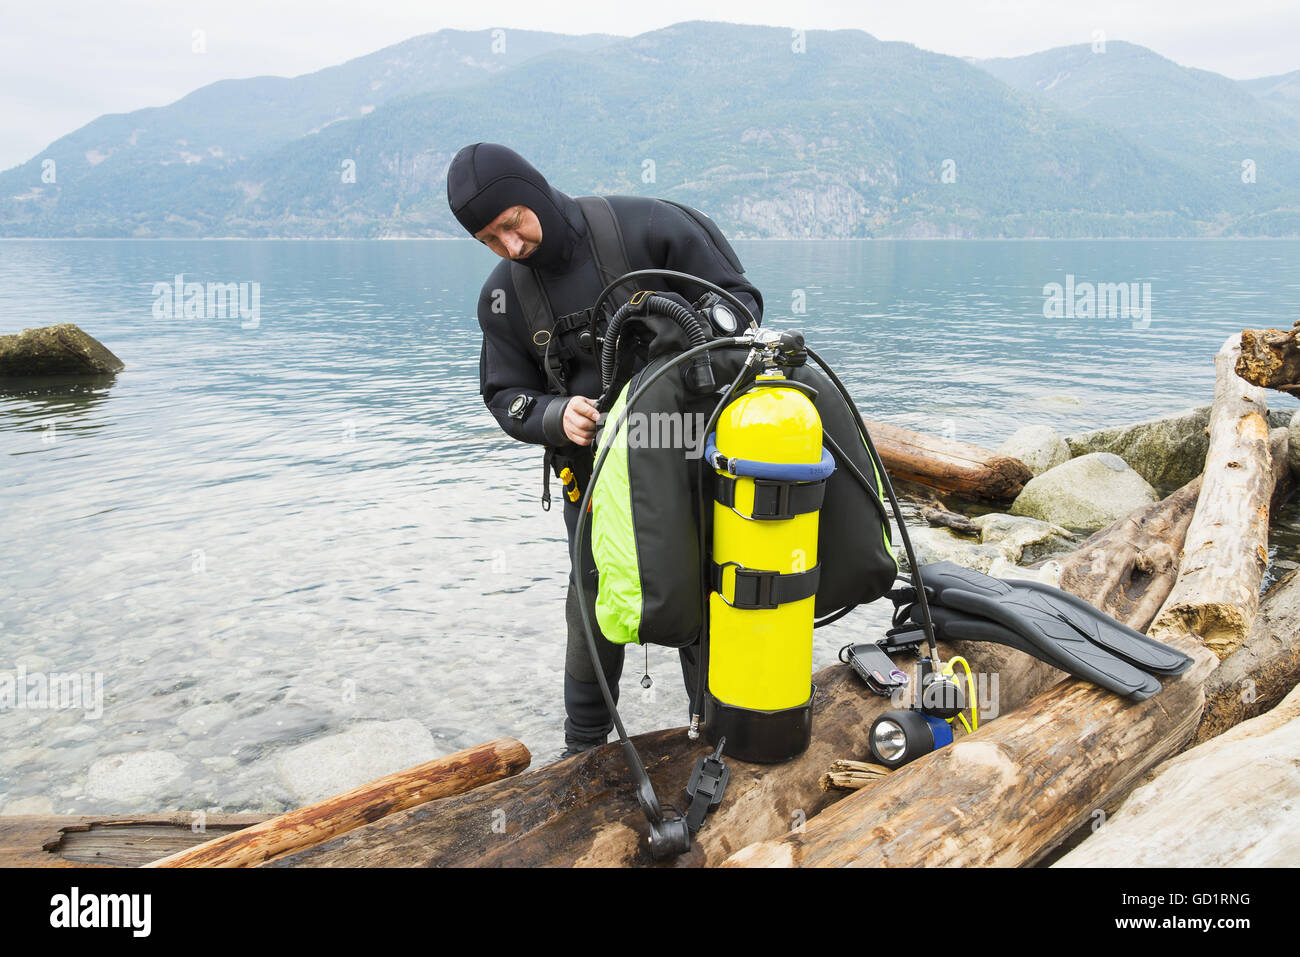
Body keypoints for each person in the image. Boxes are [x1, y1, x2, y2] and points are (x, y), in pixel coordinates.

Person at [445, 143, 763, 758]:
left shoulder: (651, 228)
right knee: (594, 603)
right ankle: (582, 754)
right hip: (591, 480)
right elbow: (504, 394)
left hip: (692, 461)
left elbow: (742, 306)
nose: (510, 245)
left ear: (532, 193)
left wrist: (681, 344)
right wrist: (554, 415)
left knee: (702, 589)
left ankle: (716, 734)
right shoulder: (502, 297)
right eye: (490, 238)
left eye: (513, 223)